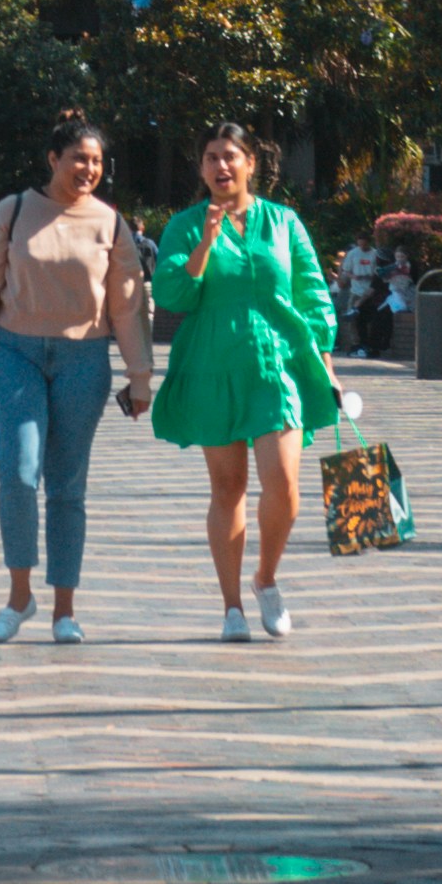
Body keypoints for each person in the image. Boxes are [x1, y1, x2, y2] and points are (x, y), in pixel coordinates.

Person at [0, 110, 156, 643]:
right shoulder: (14, 211)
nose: (89, 169)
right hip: (17, 353)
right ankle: (20, 597)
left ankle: (65, 609)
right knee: (18, 473)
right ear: (53, 160)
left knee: (67, 485)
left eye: (97, 162)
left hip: (84, 360)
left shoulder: (109, 222)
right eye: (79, 159)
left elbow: (128, 303)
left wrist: (139, 375)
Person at [150, 123, 343, 639]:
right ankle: (232, 605)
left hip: (276, 365)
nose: (221, 167)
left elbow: (312, 292)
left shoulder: (283, 222)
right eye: (211, 157)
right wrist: (206, 244)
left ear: (251, 163)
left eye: (231, 156)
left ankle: (266, 578)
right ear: (201, 168)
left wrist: (326, 360)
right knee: (228, 487)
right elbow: (172, 293)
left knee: (282, 483)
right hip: (213, 365)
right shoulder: (186, 225)